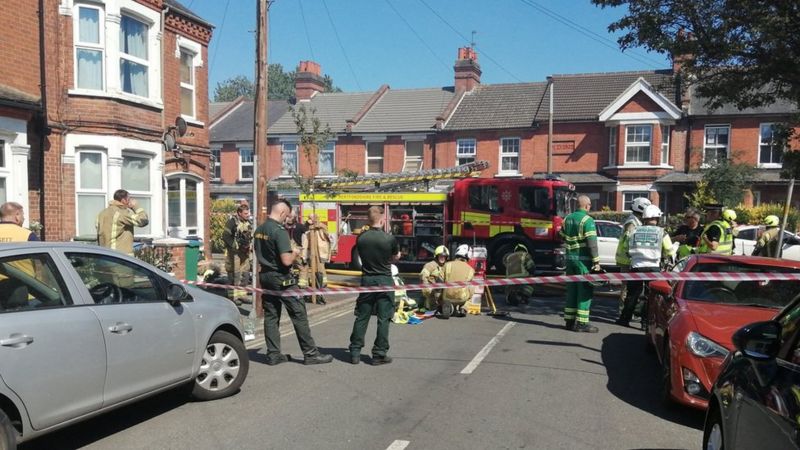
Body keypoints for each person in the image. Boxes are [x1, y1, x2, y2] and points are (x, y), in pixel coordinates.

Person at [253, 199, 332, 366]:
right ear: (282, 213)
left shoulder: (259, 229)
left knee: (271, 316)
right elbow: (287, 260)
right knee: (299, 315)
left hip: (265, 277)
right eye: (287, 216)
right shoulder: (278, 231)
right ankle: (310, 354)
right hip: (282, 279)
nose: (287, 219)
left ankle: (273, 354)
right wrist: (295, 252)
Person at [349, 205, 399, 366]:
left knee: (362, 316)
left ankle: (355, 352)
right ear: (382, 219)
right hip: (384, 280)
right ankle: (379, 353)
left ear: (368, 219)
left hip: (367, 281)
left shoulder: (361, 238)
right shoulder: (388, 238)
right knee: (384, 319)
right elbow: (395, 256)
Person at [616, 205, 675, 327]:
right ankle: (645, 322)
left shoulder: (634, 231)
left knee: (632, 295)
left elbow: (626, 248)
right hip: (653, 268)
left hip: (636, 266)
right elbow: (669, 251)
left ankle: (624, 319)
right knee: (651, 297)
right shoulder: (661, 232)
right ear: (657, 218)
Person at [560, 195, 602, 333]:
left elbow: (561, 234)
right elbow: (592, 243)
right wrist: (596, 261)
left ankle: (569, 321)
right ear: (586, 206)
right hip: (583, 261)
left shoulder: (567, 219)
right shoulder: (587, 220)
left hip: (570, 259)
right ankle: (582, 323)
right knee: (584, 291)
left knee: (572, 290)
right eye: (590, 206)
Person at [615, 197, 651, 314]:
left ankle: (629, 310)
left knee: (633, 286)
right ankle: (622, 310)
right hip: (627, 259)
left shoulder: (636, 221)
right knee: (626, 286)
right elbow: (629, 240)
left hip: (632, 259)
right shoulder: (632, 222)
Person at [96, 189, 149, 256]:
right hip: (121, 256)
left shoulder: (102, 213)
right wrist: (136, 207)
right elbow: (143, 220)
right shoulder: (122, 213)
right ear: (123, 200)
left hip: (105, 255)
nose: (130, 202)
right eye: (129, 199)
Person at [222, 204, 253, 304]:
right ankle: (232, 297)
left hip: (245, 252)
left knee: (245, 274)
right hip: (234, 253)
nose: (248, 215)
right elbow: (225, 236)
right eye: (245, 213)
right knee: (234, 275)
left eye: (248, 213)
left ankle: (241, 295)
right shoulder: (232, 222)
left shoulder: (248, 222)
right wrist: (235, 245)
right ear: (239, 213)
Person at [299, 214, 331, 305]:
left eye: (311, 219)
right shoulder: (307, 229)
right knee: (305, 271)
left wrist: (318, 225)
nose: (310, 220)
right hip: (309, 254)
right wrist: (304, 256)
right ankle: (304, 291)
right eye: (309, 218)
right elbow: (305, 241)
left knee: (319, 271)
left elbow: (326, 233)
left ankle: (319, 291)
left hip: (319, 253)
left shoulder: (321, 227)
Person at [440, 244, 476, 319]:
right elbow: (471, 290)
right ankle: (464, 307)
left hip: (446, 296)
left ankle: (445, 305)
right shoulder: (471, 270)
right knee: (472, 289)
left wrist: (439, 300)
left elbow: (439, 281)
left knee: (442, 288)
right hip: (462, 298)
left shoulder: (447, 265)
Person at [419, 245, 448, 311]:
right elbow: (423, 276)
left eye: (444, 256)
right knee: (432, 309)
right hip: (432, 293)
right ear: (436, 256)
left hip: (443, 292)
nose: (442, 258)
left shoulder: (446, 266)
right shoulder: (431, 265)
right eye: (440, 256)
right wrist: (427, 289)